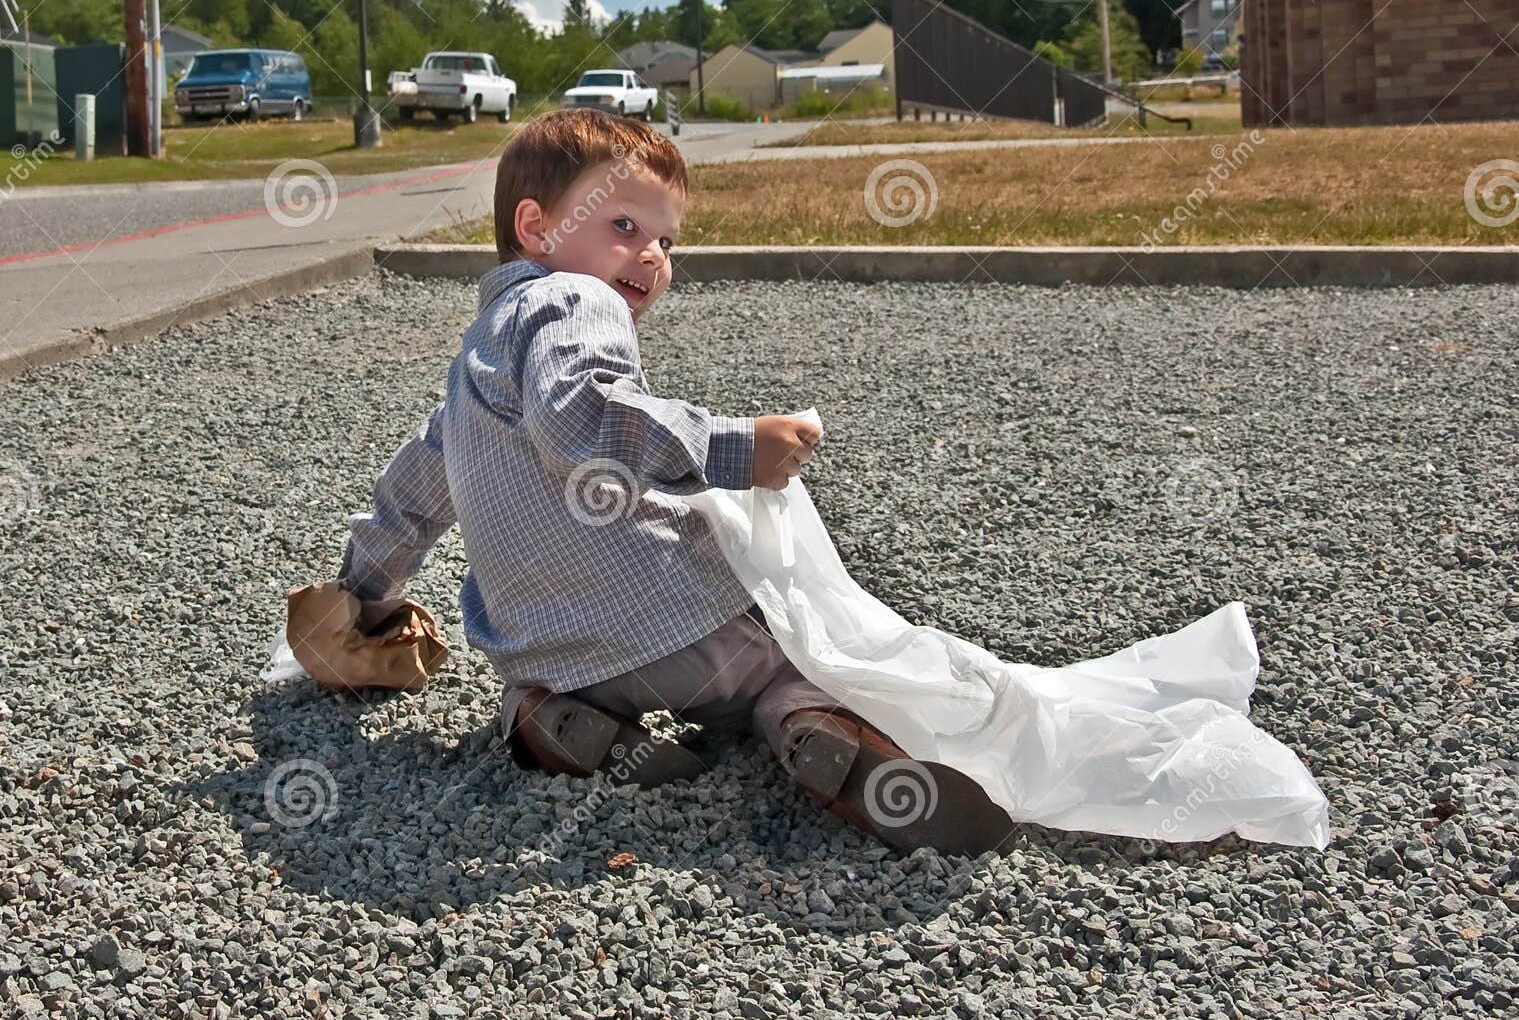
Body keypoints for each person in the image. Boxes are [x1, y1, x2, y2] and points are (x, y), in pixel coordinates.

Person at [336, 107, 1012, 856]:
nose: (652, 255)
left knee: (565, 680)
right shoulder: (575, 299)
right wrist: (733, 447)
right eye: (624, 226)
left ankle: (540, 710)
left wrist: (362, 595)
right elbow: (583, 421)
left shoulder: (472, 375)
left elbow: (410, 498)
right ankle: (809, 722)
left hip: (542, 644)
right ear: (536, 227)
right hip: (670, 624)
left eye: (666, 240)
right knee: (788, 658)